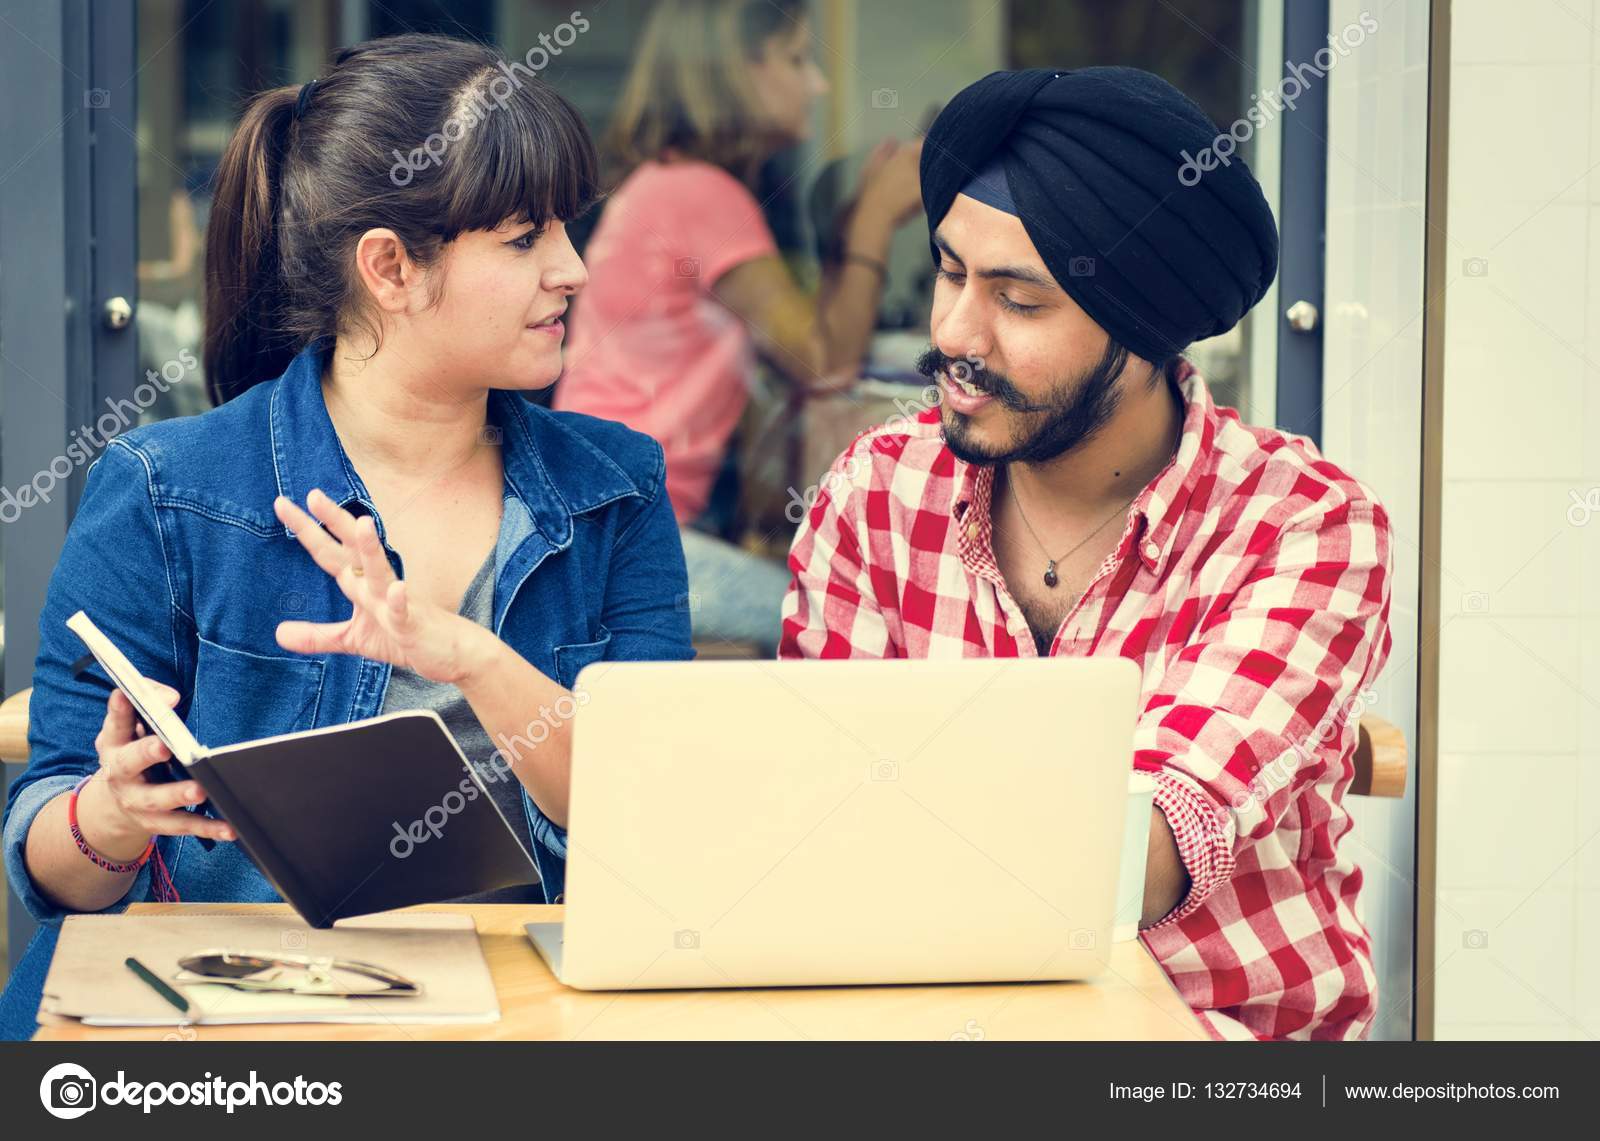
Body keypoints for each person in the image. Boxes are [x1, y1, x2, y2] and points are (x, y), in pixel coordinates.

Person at [0, 33, 691, 1039]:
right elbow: (48, 863)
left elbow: (654, 820)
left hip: (525, 1017)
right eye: (524, 239)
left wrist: (473, 657)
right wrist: (107, 818)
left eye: (566, 230)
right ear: (390, 268)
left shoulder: (613, 488)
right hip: (234, 1023)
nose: (573, 269)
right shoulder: (165, 489)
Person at [780, 67, 1393, 1041]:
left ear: (1142, 331)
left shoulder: (1301, 523)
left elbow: (1137, 857)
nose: (954, 333)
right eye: (948, 272)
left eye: (1018, 301)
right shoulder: (878, 491)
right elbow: (820, 818)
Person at [553, 0, 924, 654]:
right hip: (619, 534)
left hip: (599, 518)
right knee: (838, 613)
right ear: (736, 70)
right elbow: (823, 362)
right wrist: (875, 217)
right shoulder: (700, 193)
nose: (818, 84)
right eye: (796, 59)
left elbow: (806, 337)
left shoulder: (670, 184)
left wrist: (849, 229)